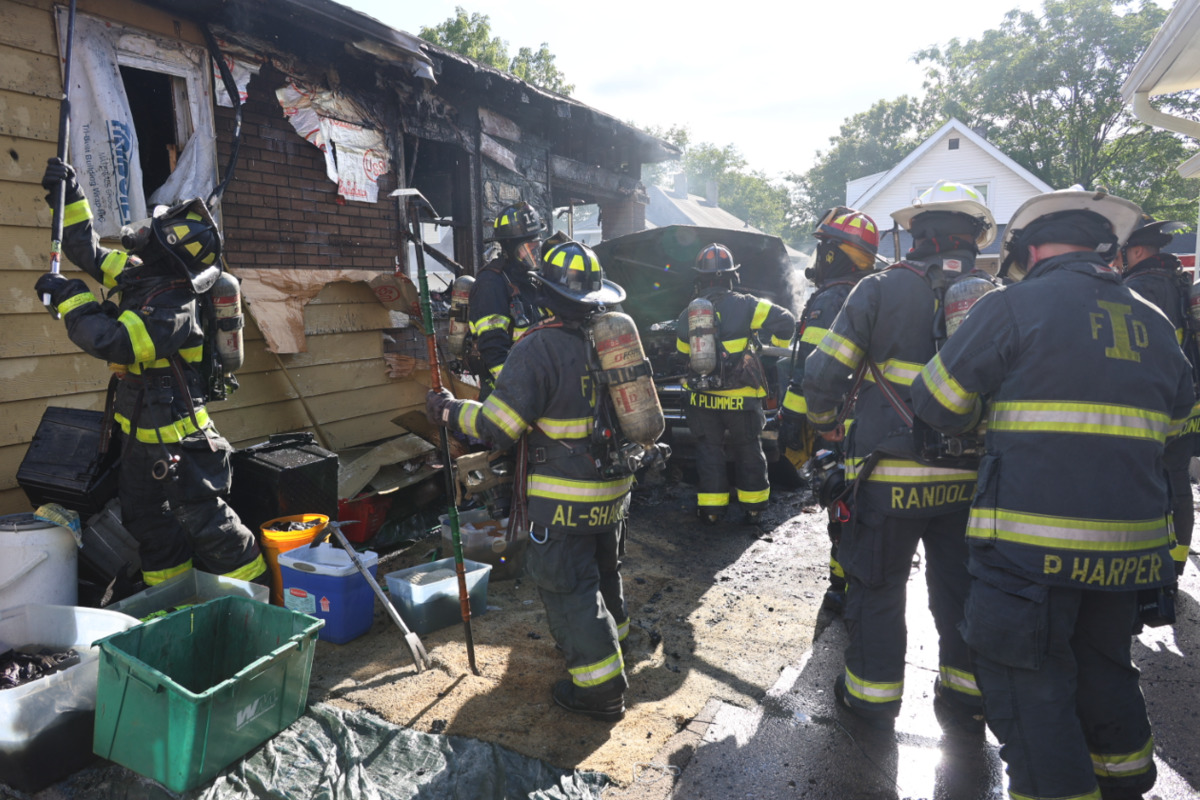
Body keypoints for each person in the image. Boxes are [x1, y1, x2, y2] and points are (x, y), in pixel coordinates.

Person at [911, 188, 1192, 800]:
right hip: (1129, 554)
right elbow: (1175, 431)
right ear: (1102, 250)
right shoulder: (1155, 320)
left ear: (1032, 249)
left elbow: (938, 405)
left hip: (1028, 553)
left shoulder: (1013, 305)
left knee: (1028, 689)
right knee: (1105, 670)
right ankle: (1123, 784)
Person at [802, 181, 994, 732]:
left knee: (878, 586)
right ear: (975, 238)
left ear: (914, 234)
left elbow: (823, 376)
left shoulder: (878, 290)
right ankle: (966, 692)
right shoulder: (997, 297)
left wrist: (824, 428)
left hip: (889, 474)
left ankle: (871, 696)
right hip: (970, 477)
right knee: (959, 587)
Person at [35, 158, 266, 587]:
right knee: (151, 528)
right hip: (141, 434)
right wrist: (70, 197)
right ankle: (174, 607)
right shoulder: (140, 274)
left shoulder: (174, 306)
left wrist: (72, 301)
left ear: (166, 250)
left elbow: (116, 342)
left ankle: (261, 599)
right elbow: (86, 250)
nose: (141, 233)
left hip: (177, 436)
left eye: (152, 233)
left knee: (209, 526)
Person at [427, 240, 633, 722]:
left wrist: (450, 409)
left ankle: (600, 689)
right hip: (614, 488)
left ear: (544, 293)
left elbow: (498, 426)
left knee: (568, 587)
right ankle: (615, 646)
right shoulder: (611, 339)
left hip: (563, 495)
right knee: (605, 570)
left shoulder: (537, 347)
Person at [780, 207, 880, 612]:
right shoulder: (871, 290)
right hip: (872, 424)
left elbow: (812, 372)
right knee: (859, 508)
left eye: (823, 250)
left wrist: (791, 419)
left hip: (838, 426)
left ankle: (843, 589)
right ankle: (851, 581)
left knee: (840, 505)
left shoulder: (832, 297)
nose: (817, 260)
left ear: (837, 255)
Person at [674, 243, 795, 524]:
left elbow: (682, 354)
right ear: (732, 277)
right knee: (748, 449)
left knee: (708, 451)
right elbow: (786, 322)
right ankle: (753, 509)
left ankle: (712, 511)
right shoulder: (748, 305)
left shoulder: (687, 315)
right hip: (741, 397)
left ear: (699, 278)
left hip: (701, 399)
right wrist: (772, 352)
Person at [1118, 216, 1196, 579]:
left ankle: (1144, 569)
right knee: (1177, 480)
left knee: (1143, 484)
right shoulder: (1180, 282)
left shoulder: (1139, 288)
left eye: (1122, 254)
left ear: (1136, 250)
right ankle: (1176, 562)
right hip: (1189, 401)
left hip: (1154, 405)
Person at [467, 201, 546, 398]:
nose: (533, 255)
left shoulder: (531, 279)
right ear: (508, 247)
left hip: (536, 380)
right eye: (526, 248)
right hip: (504, 390)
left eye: (536, 247)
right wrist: (514, 389)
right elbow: (493, 348)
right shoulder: (491, 283)